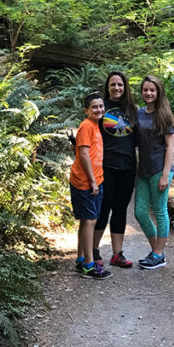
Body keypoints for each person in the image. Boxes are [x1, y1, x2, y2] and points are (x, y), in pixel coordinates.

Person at [92, 70, 139, 268]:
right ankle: (93, 252)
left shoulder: (132, 109)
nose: (117, 88)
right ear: (108, 87)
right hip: (106, 165)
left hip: (127, 166)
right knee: (103, 210)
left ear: (125, 86)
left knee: (120, 210)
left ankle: (117, 254)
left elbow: (139, 138)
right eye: (113, 84)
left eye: (120, 84)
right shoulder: (102, 106)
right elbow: (90, 130)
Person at [134, 75, 174, 270]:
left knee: (159, 210)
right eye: (145, 90)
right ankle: (157, 252)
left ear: (158, 92)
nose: (148, 93)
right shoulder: (139, 113)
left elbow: (171, 146)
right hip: (143, 169)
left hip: (159, 168)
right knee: (140, 212)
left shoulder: (164, 114)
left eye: (152, 90)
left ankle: (158, 254)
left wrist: (165, 174)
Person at [69, 92, 112, 280]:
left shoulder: (95, 125)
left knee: (87, 221)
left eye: (101, 106)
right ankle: (88, 265)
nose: (99, 109)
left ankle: (81, 258)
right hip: (85, 183)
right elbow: (84, 155)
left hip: (95, 180)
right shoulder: (86, 125)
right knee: (90, 221)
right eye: (94, 107)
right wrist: (93, 181)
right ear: (86, 110)